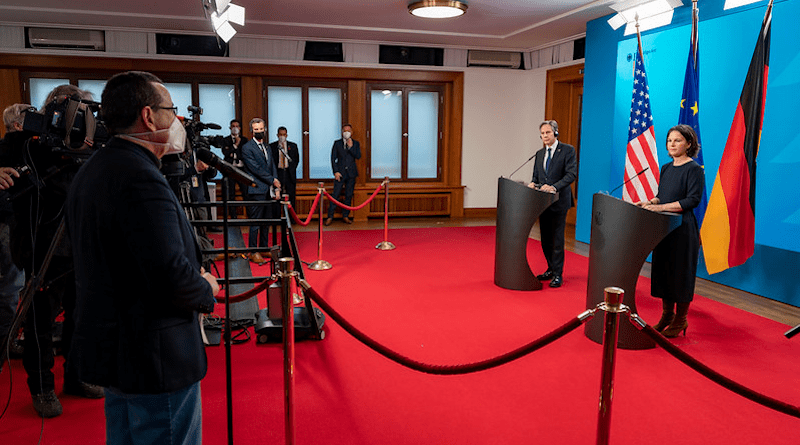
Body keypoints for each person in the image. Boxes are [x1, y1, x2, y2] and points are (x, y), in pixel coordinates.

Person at [65, 71, 219, 444]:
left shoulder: (94, 169)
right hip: (154, 357)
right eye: (171, 110)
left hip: (117, 351)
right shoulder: (141, 178)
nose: (177, 120)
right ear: (149, 116)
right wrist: (205, 288)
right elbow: (170, 275)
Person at [3, 88, 105, 418]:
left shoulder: (92, 148)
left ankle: (77, 377)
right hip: (39, 244)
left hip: (81, 247)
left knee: (82, 316)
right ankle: (43, 387)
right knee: (40, 321)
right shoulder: (24, 142)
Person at [636, 124, 704, 338]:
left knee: (681, 275)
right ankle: (667, 316)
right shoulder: (666, 168)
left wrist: (659, 207)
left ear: (689, 144)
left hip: (683, 229)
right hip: (664, 228)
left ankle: (680, 320)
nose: (672, 144)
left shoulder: (694, 169)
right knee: (665, 272)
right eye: (669, 141)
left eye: (677, 140)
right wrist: (649, 202)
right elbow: (662, 195)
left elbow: (691, 200)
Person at [528, 120, 577, 288]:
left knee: (557, 239)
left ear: (555, 133)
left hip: (559, 202)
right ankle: (550, 268)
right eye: (542, 134)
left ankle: (558, 274)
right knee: (546, 239)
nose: (544, 136)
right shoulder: (540, 154)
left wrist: (554, 187)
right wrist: (533, 183)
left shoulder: (568, 150)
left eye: (547, 133)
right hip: (542, 203)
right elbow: (536, 176)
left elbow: (571, 174)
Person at [0, 105, 27, 371]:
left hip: (12, 222)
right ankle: (5, 343)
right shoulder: (19, 150)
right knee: (12, 286)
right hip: (8, 223)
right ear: (18, 125)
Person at [241, 117, 281, 265]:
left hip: (269, 190)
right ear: (252, 131)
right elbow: (255, 169)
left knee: (266, 221)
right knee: (256, 222)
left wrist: (275, 184)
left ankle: (264, 247)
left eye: (261, 129)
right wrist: (272, 180)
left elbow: (272, 167)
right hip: (256, 190)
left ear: (265, 129)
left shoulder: (268, 147)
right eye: (256, 129)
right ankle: (253, 251)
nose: (259, 132)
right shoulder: (247, 148)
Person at [326, 123, 361, 225]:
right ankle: (330, 216)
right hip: (340, 173)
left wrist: (351, 147)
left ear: (351, 132)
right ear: (342, 132)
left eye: (348, 131)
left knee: (348, 195)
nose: (346, 133)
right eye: (344, 131)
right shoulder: (337, 143)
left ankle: (345, 216)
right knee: (335, 195)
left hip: (351, 173)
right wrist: (335, 171)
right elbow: (333, 158)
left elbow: (358, 156)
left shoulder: (356, 143)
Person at [220, 119, 249, 217]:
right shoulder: (226, 140)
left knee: (246, 192)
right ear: (230, 128)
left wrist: (233, 153)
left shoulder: (244, 140)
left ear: (240, 128)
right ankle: (233, 217)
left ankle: (250, 216)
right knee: (230, 194)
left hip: (241, 169)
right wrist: (236, 146)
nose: (235, 128)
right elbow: (226, 153)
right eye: (233, 126)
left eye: (237, 126)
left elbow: (245, 154)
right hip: (230, 169)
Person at [269, 126, 299, 209]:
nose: (282, 136)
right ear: (277, 135)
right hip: (278, 173)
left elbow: (296, 160)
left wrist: (291, 169)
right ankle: (277, 218)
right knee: (277, 196)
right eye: (280, 134)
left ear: (287, 135)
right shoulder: (272, 146)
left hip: (289, 174)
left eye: (284, 134)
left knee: (291, 196)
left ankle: (292, 218)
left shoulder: (293, 146)